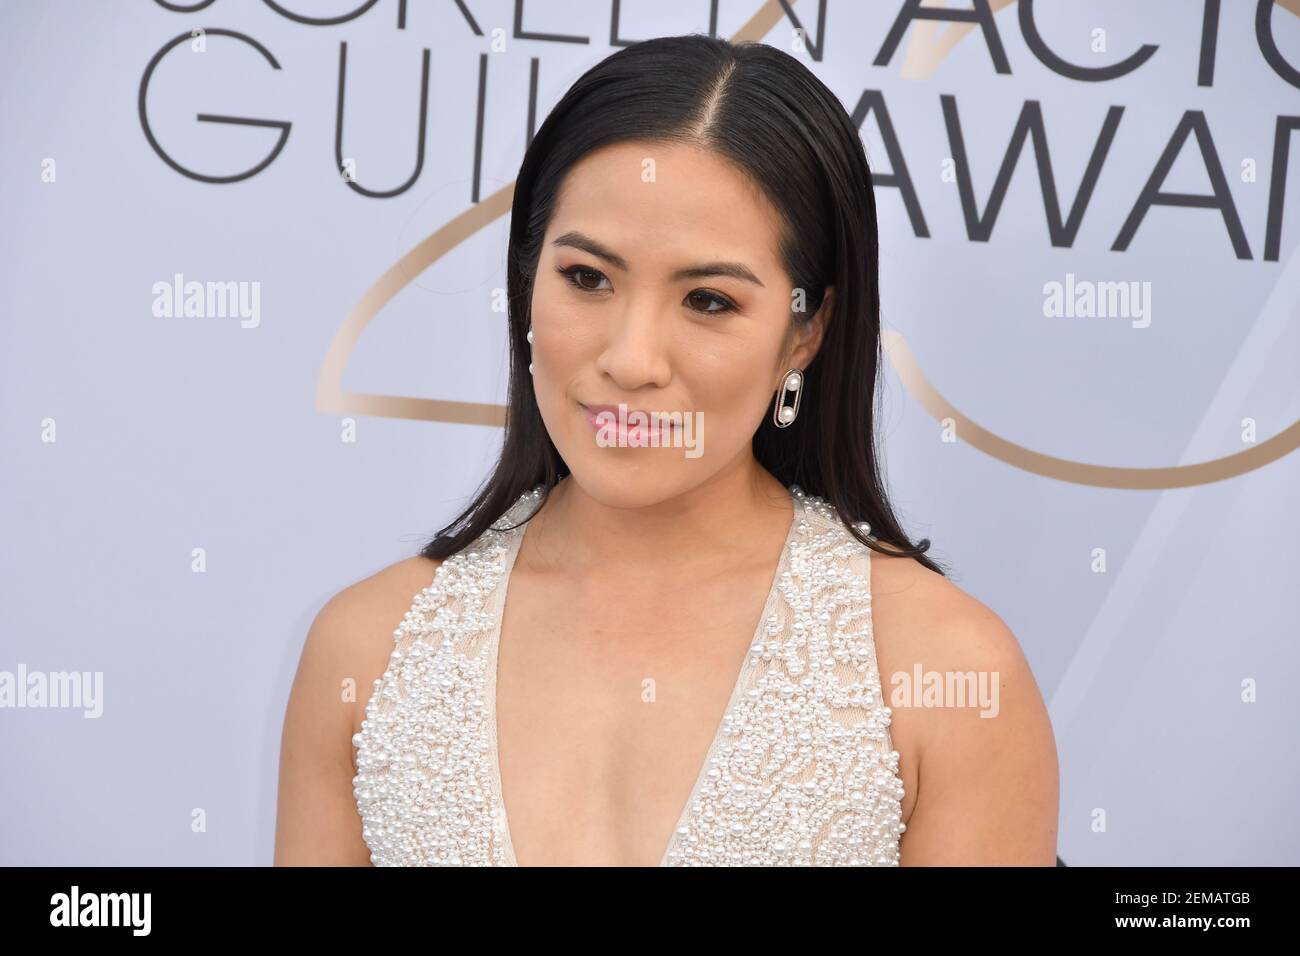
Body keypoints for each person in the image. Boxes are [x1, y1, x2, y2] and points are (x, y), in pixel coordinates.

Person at [275, 34, 1058, 866]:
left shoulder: (946, 672)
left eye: (709, 300)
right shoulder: (365, 648)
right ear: (527, 280)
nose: (631, 360)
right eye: (587, 278)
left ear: (806, 331)